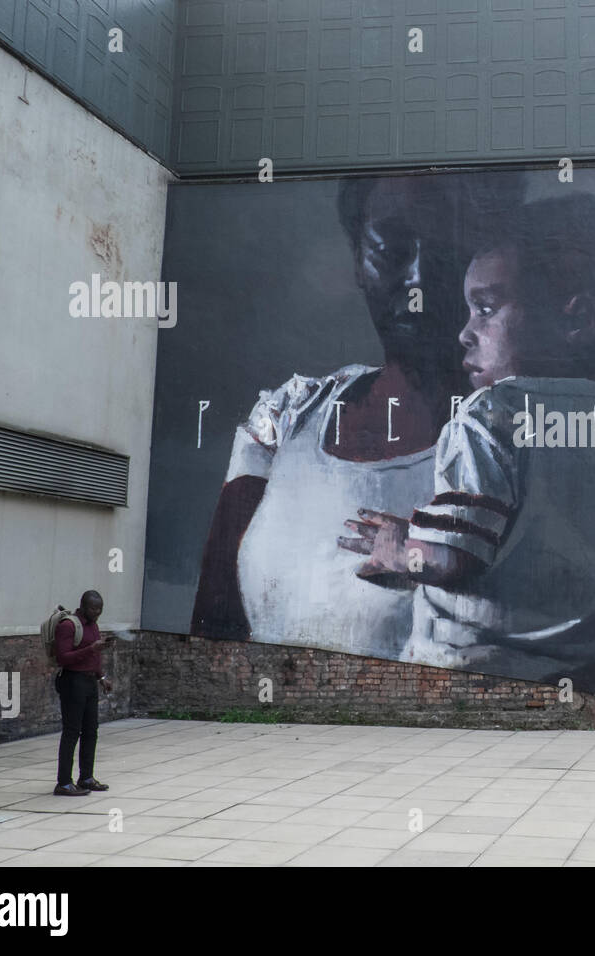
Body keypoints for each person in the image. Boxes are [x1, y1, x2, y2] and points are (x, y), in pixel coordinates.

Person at [344, 194, 595, 691]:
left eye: (485, 309)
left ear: (576, 321)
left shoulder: (489, 418)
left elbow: (453, 558)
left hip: (483, 674)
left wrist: (400, 547)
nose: (464, 333)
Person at [190, 173, 526, 656]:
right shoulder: (285, 419)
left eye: (446, 253)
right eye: (390, 250)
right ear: (357, 261)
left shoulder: (514, 442)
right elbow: (211, 626)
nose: (418, 279)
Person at [53, 590, 112, 796]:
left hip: (89, 683)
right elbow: (63, 658)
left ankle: (86, 777)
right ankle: (63, 782)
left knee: (90, 731)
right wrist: (92, 649)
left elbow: (93, 657)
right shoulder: (68, 626)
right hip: (72, 682)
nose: (97, 613)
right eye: (94, 609)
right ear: (83, 606)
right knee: (71, 732)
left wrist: (101, 677)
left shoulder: (93, 626)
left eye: (100, 610)